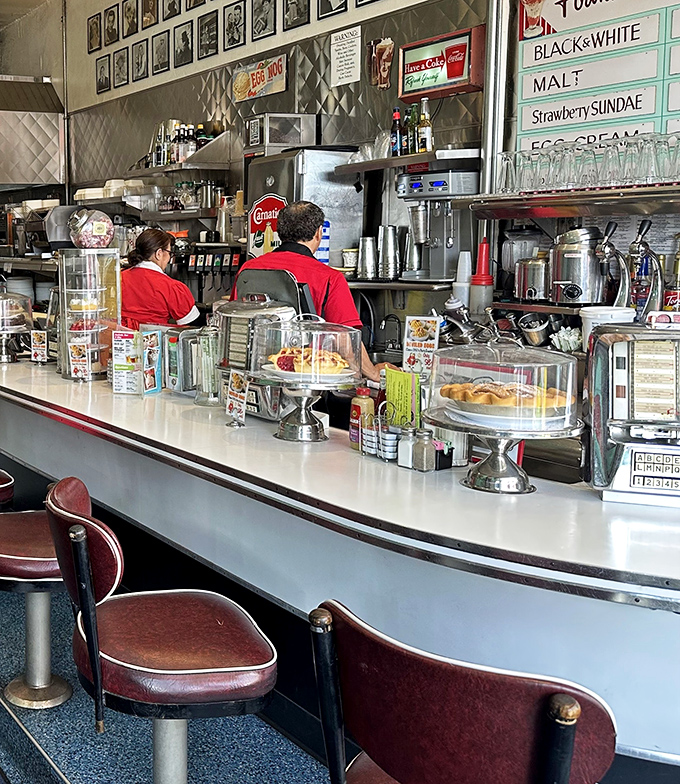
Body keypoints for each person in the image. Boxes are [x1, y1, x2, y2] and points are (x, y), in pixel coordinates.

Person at [233, 202, 393, 382]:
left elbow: (236, 318)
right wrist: (373, 373)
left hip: (252, 375)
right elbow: (345, 341)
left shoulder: (248, 269)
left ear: (279, 231)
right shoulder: (330, 277)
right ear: (318, 233)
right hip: (308, 379)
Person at [121, 229, 199, 329]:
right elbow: (189, 326)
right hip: (154, 338)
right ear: (159, 253)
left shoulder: (118, 278)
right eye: (169, 253)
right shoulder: (171, 287)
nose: (169, 258)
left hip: (117, 337)